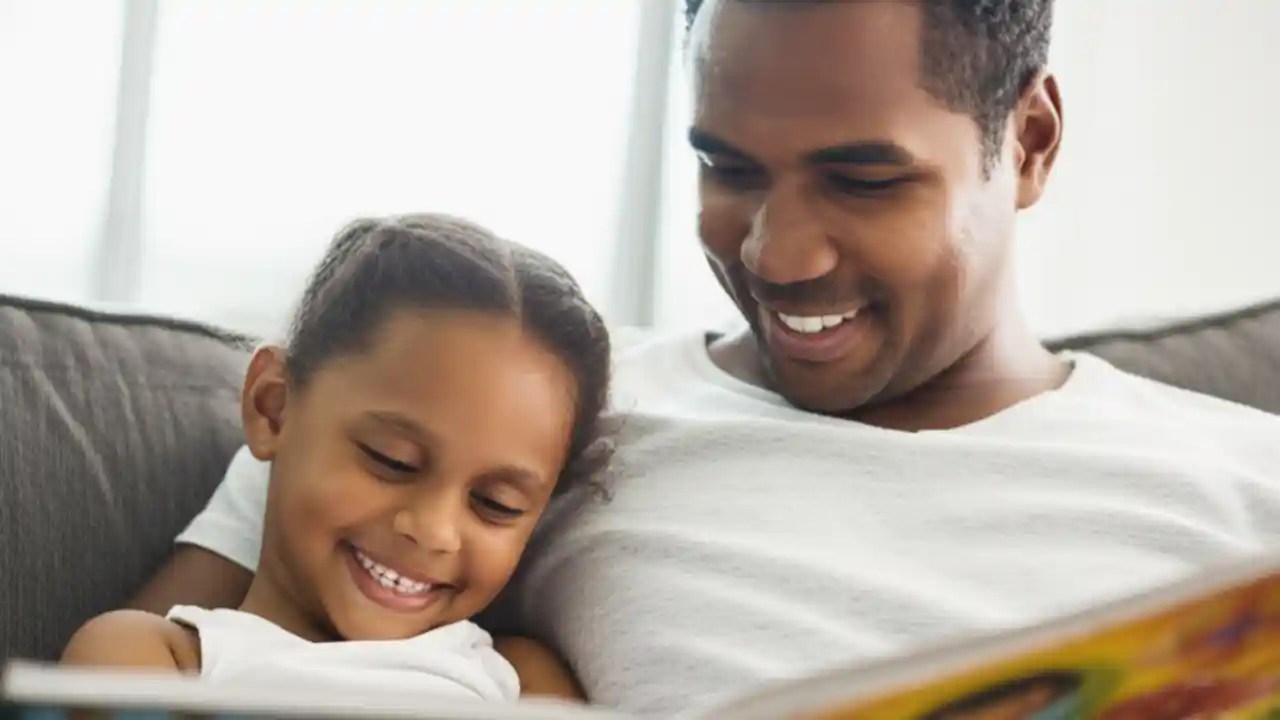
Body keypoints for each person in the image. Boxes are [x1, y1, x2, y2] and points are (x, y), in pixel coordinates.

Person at [131, 1, 1280, 715]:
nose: (775, 254)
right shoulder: (526, 417)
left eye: (861, 179)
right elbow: (156, 670)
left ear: (1025, 142)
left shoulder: (1249, 486)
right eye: (727, 169)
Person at [62, 215, 612, 703]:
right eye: (392, 461)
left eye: (496, 504)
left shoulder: (522, 679)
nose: (433, 530)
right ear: (273, 408)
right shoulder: (150, 659)